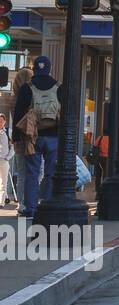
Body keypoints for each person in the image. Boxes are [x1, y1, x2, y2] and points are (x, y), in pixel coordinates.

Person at [12, 56, 66, 215]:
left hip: (32, 136)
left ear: (34, 69)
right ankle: (47, 204)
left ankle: (31, 208)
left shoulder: (27, 88)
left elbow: (18, 114)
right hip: (54, 137)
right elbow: (65, 113)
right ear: (49, 69)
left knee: (32, 172)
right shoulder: (59, 87)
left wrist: (16, 136)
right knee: (50, 172)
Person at [9, 67, 32, 213]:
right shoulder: (32, 96)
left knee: (22, 172)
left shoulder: (13, 98)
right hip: (31, 138)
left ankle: (22, 204)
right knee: (35, 172)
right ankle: (30, 202)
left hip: (18, 139)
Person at [0, 113, 15, 208]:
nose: (0, 123)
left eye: (1, 121)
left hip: (3, 160)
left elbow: (13, 146)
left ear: (5, 122)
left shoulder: (8, 132)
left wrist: (8, 157)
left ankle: (1, 202)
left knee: (3, 182)